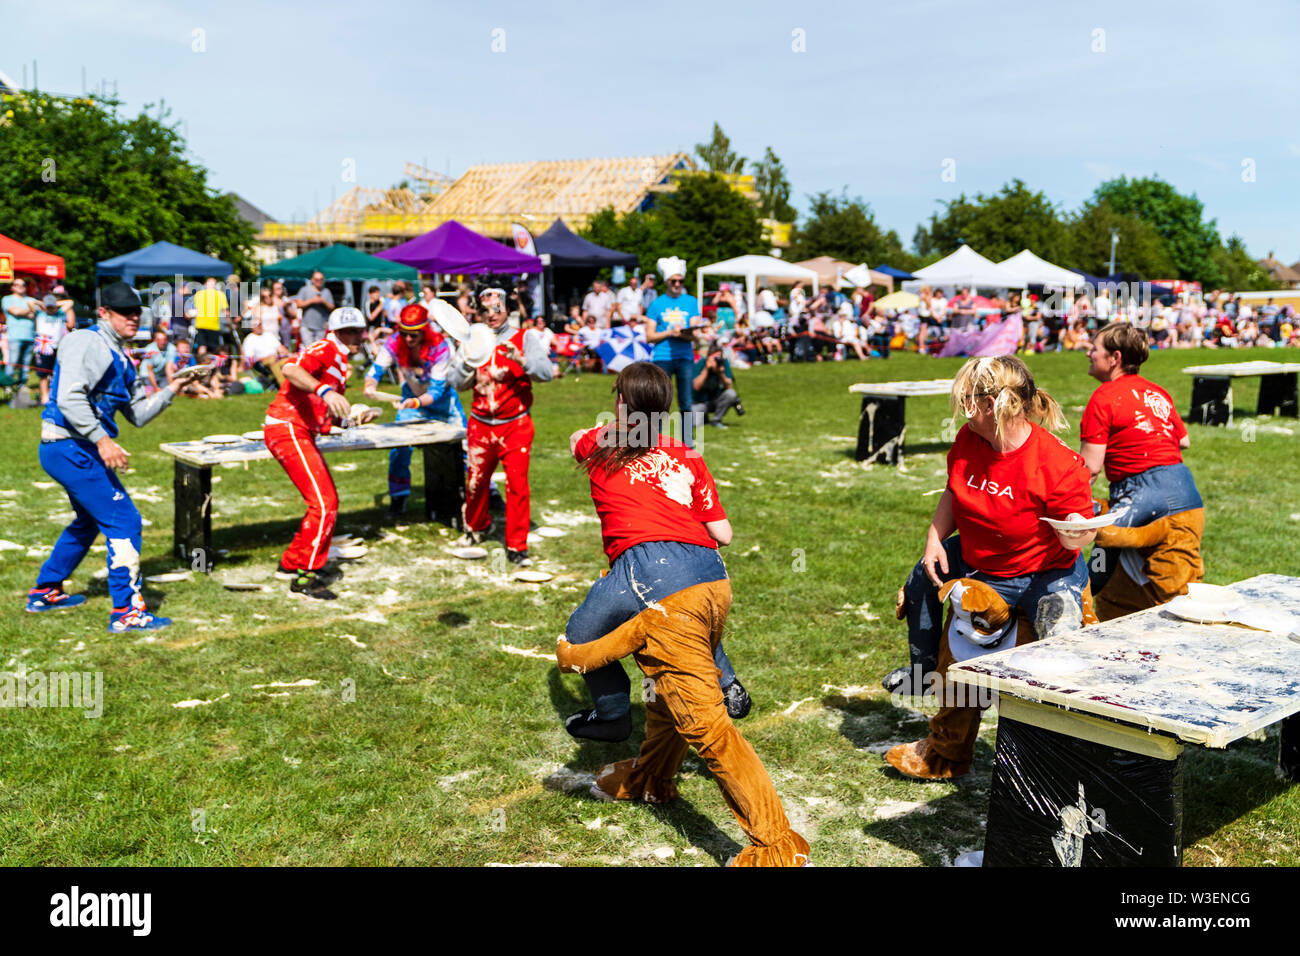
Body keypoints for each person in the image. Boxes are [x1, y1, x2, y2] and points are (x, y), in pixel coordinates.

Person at [555, 363, 799, 866]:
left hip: (650, 575)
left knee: (704, 726)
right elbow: (724, 532)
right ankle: (652, 776)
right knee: (668, 684)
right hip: (712, 575)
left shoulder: (599, 448)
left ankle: (776, 845)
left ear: (620, 403)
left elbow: (577, 436)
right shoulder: (686, 453)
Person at [885, 355, 1096, 779]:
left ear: (1002, 406)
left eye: (971, 398)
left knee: (1062, 662)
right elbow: (954, 490)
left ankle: (1064, 759)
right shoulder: (968, 439)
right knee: (956, 657)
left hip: (1045, 572)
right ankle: (944, 748)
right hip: (983, 563)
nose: (963, 407)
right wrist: (934, 537)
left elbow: (1081, 531)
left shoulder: (1057, 463)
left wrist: (1077, 533)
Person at [28, 282, 206, 630]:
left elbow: (137, 414)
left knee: (90, 520)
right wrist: (102, 440)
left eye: (136, 311)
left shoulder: (124, 355)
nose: (133, 317)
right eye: (124, 311)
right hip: (68, 446)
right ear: (103, 313)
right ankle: (127, 613)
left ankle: (45, 590)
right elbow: (68, 398)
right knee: (125, 521)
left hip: (75, 448)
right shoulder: (86, 341)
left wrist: (173, 387)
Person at [1079, 323, 1204, 620]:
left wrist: (1066, 505)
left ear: (1115, 357)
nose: (1088, 353)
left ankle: (1078, 601)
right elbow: (1183, 440)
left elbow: (1090, 468)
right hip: (1185, 495)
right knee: (1177, 593)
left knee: (1104, 540)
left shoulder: (1104, 396)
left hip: (1140, 495)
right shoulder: (1157, 392)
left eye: (1094, 348)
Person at [263, 307, 380, 599]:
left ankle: (292, 563)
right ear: (336, 332)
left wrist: (356, 417)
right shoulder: (326, 347)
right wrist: (325, 390)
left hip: (297, 429)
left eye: (359, 330)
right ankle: (305, 578)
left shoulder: (339, 360)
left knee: (323, 501)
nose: (357, 336)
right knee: (325, 504)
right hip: (288, 427)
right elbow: (290, 368)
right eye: (350, 331)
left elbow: (326, 411)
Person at [446, 289, 554, 566]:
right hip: (481, 425)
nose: (492, 315)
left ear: (508, 309)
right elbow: (456, 382)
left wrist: (523, 361)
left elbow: (546, 373)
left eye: (497, 309)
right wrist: (468, 363)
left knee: (517, 485)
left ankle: (517, 546)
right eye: (486, 310)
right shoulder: (471, 340)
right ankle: (476, 526)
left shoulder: (525, 336)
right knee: (475, 482)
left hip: (515, 424)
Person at [363, 304, 467, 516]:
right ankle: (398, 498)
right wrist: (370, 384)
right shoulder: (393, 342)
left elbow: (436, 392)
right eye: (404, 334)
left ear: (425, 331)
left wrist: (415, 403)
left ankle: (486, 494)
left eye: (414, 335)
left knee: (467, 449)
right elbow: (376, 369)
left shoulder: (441, 347)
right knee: (399, 448)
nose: (408, 340)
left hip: (443, 404)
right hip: (410, 400)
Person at [643, 257, 700, 446]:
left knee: (686, 402)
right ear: (667, 282)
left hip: (684, 357)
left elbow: (695, 335)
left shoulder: (691, 302)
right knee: (660, 401)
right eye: (673, 281)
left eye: (680, 281)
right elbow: (649, 336)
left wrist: (682, 333)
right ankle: (656, 441)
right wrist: (670, 331)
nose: (677, 284)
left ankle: (688, 442)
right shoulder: (657, 304)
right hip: (662, 357)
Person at [34, 294, 75, 405]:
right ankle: (44, 396)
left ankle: (54, 393)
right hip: (44, 347)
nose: (51, 309)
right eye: (49, 307)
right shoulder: (40, 314)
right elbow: (29, 302)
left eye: (52, 307)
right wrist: (43, 304)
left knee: (55, 371)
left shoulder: (59, 314)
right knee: (43, 373)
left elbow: (70, 302)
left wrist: (55, 304)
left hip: (57, 346)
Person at [691, 341, 743, 428]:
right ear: (708, 357)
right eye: (715, 358)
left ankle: (716, 420)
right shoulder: (701, 363)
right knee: (694, 423)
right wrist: (706, 369)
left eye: (719, 357)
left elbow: (728, 387)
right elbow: (696, 386)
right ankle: (704, 417)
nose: (717, 360)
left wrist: (721, 373)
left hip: (716, 400)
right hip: (700, 402)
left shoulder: (723, 364)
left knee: (731, 393)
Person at [3, 277, 42, 383]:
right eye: (17, 285)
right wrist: (30, 310)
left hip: (30, 335)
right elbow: (15, 312)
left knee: (26, 364)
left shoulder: (30, 299)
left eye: (23, 285)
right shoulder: (7, 299)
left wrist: (24, 311)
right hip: (14, 336)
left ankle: (22, 385)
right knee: (13, 361)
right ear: (13, 287)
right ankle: (8, 384)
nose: (20, 287)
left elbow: (37, 313)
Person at [241, 313, 289, 389]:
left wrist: (288, 353)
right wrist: (267, 357)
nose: (259, 327)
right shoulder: (249, 340)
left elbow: (280, 348)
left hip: (277, 358)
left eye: (260, 324)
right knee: (273, 363)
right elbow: (250, 358)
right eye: (256, 325)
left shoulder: (269, 335)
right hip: (262, 363)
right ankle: (285, 388)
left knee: (291, 361)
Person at [188, 277, 229, 355]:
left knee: (202, 346)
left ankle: (201, 364)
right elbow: (226, 312)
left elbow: (194, 310)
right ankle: (213, 365)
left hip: (200, 324)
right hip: (214, 325)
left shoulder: (199, 294)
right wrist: (229, 323)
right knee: (214, 348)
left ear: (205, 285)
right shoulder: (221, 295)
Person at [295, 271, 334, 347]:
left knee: (318, 349)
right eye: (317, 279)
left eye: (321, 279)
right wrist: (312, 301)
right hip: (306, 326)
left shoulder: (326, 291)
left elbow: (332, 307)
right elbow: (298, 304)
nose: (319, 281)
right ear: (312, 280)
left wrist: (323, 301)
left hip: (321, 327)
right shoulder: (305, 290)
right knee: (309, 349)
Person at [138, 326, 177, 395]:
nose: (162, 342)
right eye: (159, 340)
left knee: (166, 390)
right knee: (151, 391)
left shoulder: (171, 348)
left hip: (161, 374)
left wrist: (172, 386)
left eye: (164, 339)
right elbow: (149, 371)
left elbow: (169, 368)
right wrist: (155, 387)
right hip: (147, 375)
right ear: (155, 340)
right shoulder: (150, 349)